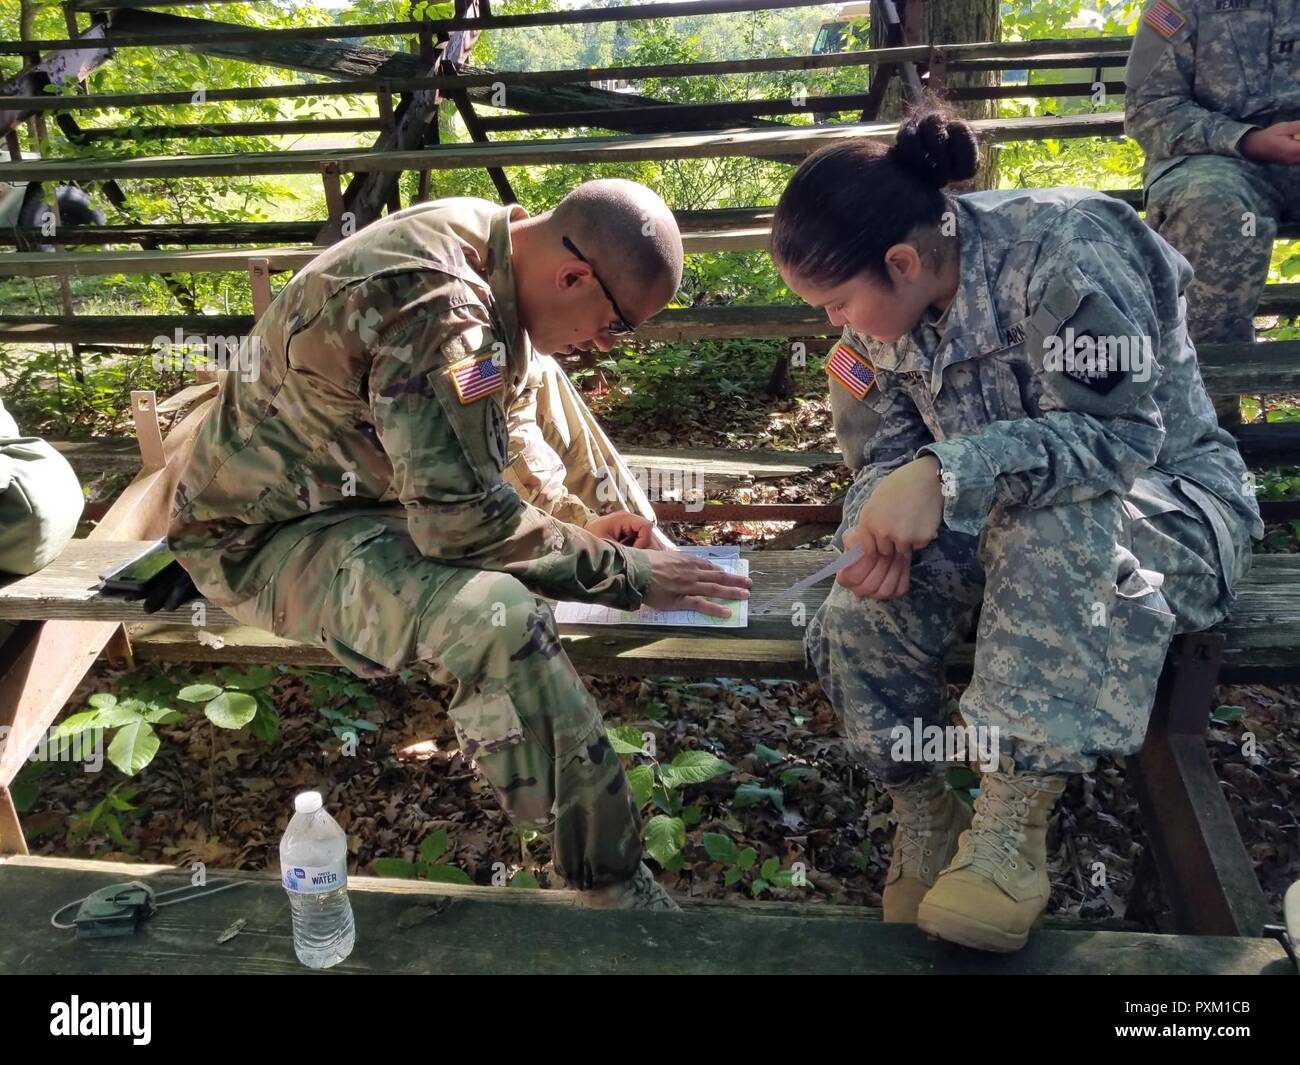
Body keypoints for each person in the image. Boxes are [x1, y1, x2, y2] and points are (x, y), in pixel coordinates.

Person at [167, 179, 750, 911]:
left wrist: (573, 522)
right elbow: (459, 525)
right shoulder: (440, 306)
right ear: (574, 276)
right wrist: (621, 573)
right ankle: (613, 888)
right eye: (616, 325)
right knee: (495, 614)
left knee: (545, 419)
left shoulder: (492, 243)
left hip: (371, 498)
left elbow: (500, 407)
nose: (608, 346)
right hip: (264, 538)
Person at [769, 111, 1262, 952]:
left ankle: (1010, 826)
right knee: (855, 610)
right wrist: (875, 527)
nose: (833, 324)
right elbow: (883, 453)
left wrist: (948, 471)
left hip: (1168, 508)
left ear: (902, 262)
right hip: (997, 519)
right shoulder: (873, 318)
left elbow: (1121, 440)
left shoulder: (1066, 249)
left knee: (1048, 521)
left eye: (837, 302)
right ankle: (925, 809)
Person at [1125, 0, 1300, 427]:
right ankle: (1205, 422)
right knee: (1212, 208)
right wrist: (1249, 139)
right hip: (1215, 158)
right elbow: (1149, 109)